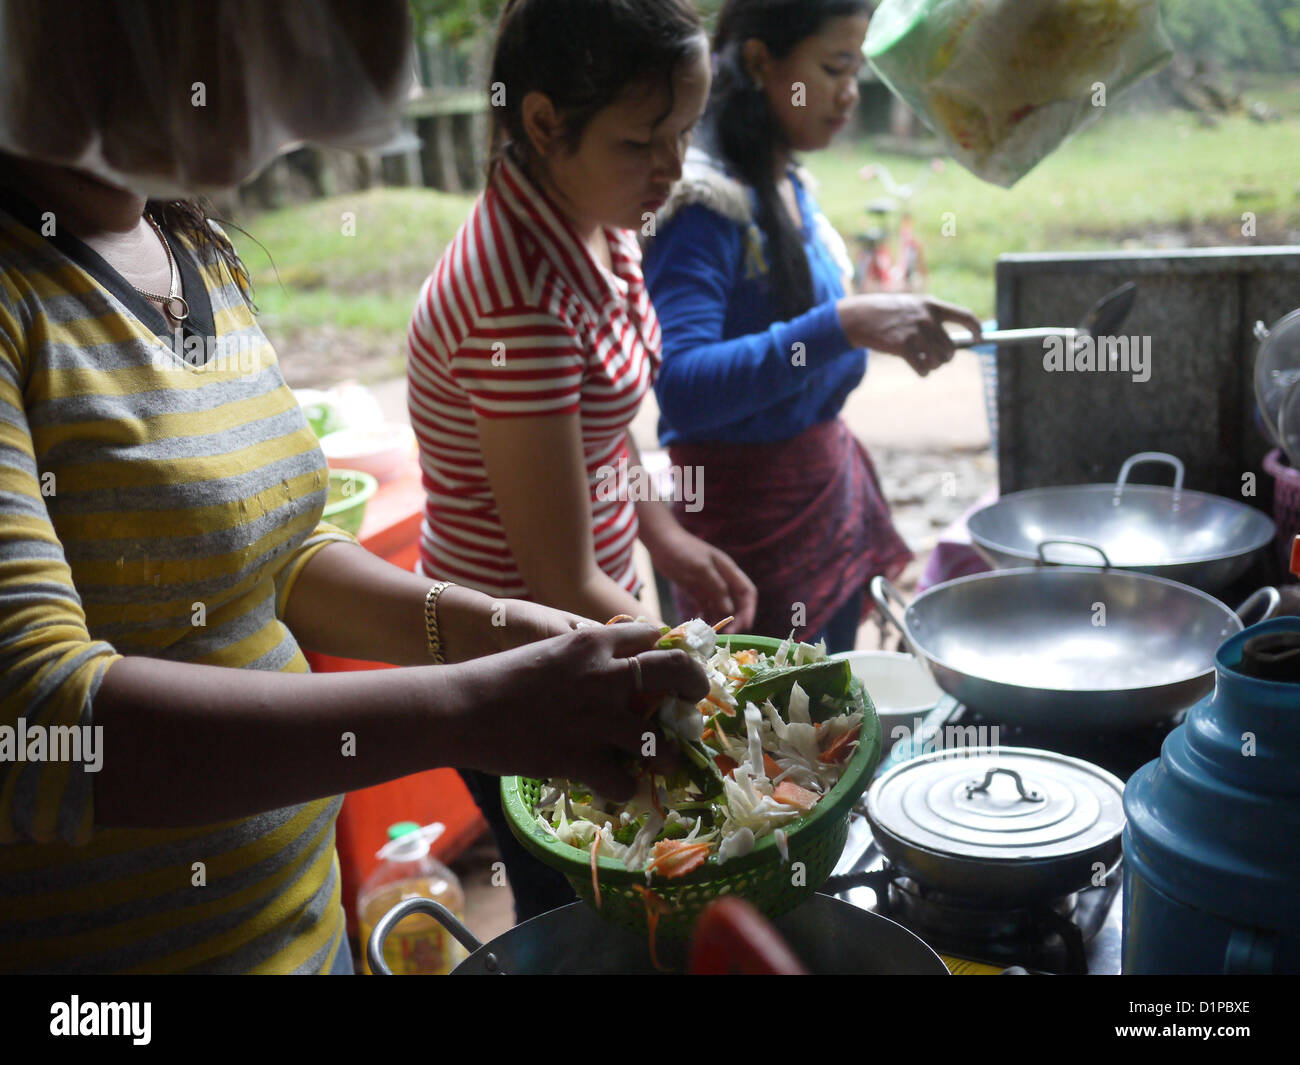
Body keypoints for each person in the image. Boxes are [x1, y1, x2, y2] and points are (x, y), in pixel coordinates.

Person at [0, 11, 708, 973]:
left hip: (304, 934)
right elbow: (38, 725)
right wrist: (466, 708)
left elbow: (280, 555)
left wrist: (505, 634)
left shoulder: (188, 248)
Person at [405, 0, 756, 921]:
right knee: (579, 900)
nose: (673, 169)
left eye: (683, 132)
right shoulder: (514, 299)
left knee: (625, 865)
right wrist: (695, 663)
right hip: (513, 648)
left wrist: (667, 543)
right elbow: (555, 572)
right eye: (645, 141)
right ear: (545, 124)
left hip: (589, 607)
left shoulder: (600, 219)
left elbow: (601, 430)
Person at [643, 0, 984, 653]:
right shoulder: (702, 206)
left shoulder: (786, 183)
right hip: (748, 548)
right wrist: (845, 322)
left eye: (857, 69)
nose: (850, 93)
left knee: (821, 729)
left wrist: (854, 324)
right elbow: (683, 385)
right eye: (834, 67)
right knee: (769, 738)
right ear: (759, 61)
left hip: (821, 511)